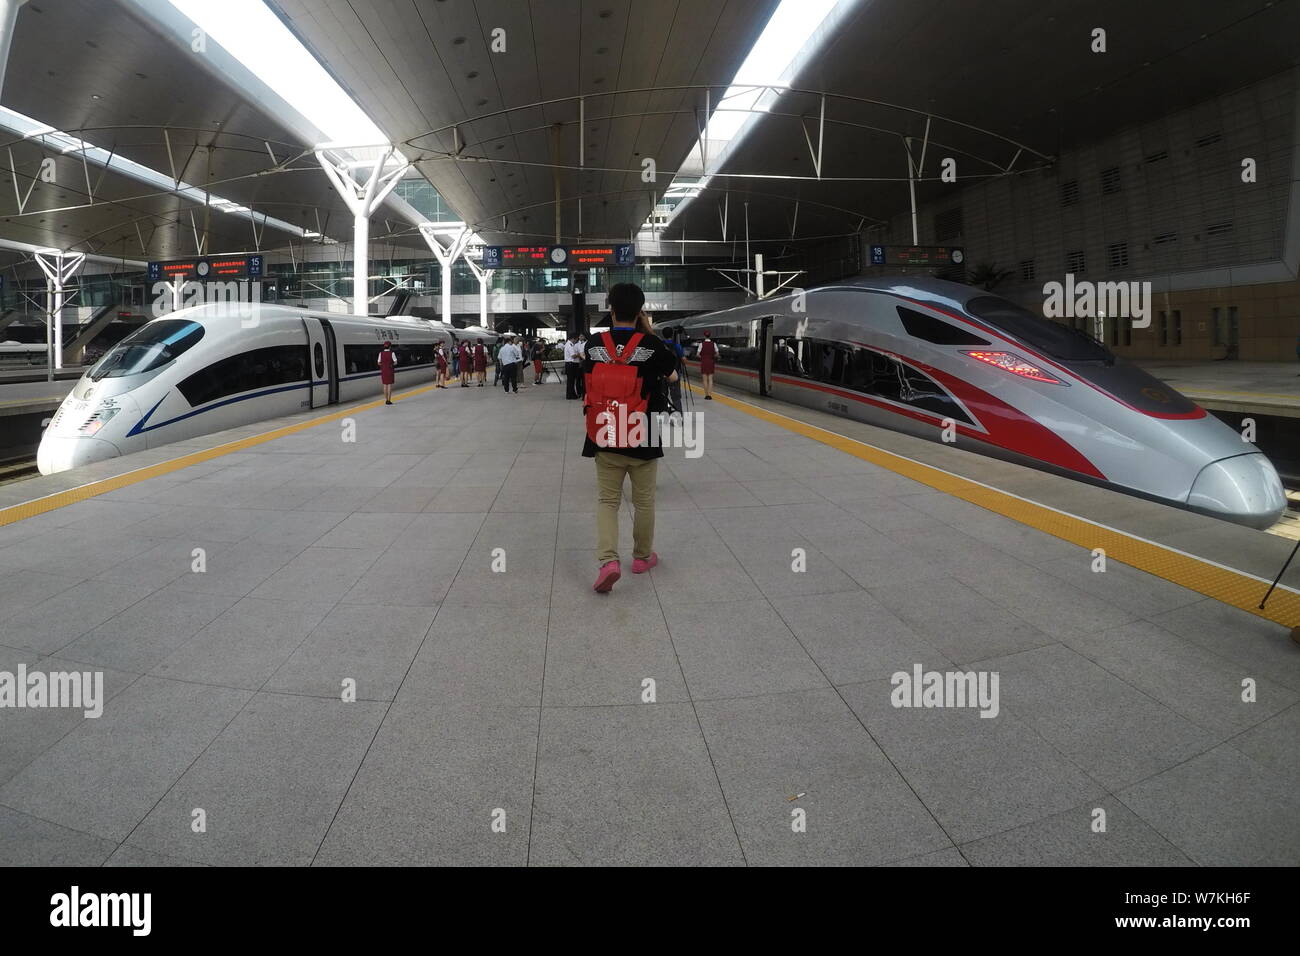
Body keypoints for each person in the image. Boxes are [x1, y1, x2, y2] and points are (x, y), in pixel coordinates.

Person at [581, 282, 678, 593]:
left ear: (610, 310)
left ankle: (608, 561)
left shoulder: (593, 344)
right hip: (642, 433)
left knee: (608, 501)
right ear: (640, 311)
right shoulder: (654, 346)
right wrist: (647, 331)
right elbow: (672, 376)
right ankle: (641, 557)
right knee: (644, 501)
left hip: (605, 431)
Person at [698, 329, 717, 399]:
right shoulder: (714, 344)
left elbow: (698, 354)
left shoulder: (701, 344)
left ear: (704, 336)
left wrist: (703, 357)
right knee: (710, 379)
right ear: (710, 336)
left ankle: (706, 395)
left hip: (704, 362)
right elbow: (717, 353)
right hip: (711, 362)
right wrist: (712, 356)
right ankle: (710, 395)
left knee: (705, 379)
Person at [377, 340, 397, 404]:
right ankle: (389, 400)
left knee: (385, 385)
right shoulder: (392, 353)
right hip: (390, 370)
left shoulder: (380, 353)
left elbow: (378, 363)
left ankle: (386, 400)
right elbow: (395, 362)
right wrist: (390, 365)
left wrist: (383, 365)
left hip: (383, 371)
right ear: (390, 347)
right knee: (389, 385)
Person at [564, 333, 582, 399]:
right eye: (576, 339)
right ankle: (570, 395)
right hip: (571, 364)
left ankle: (571, 394)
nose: (576, 341)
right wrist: (580, 354)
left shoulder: (569, 344)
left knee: (571, 381)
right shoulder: (569, 345)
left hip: (570, 364)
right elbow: (573, 356)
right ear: (573, 338)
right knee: (571, 381)